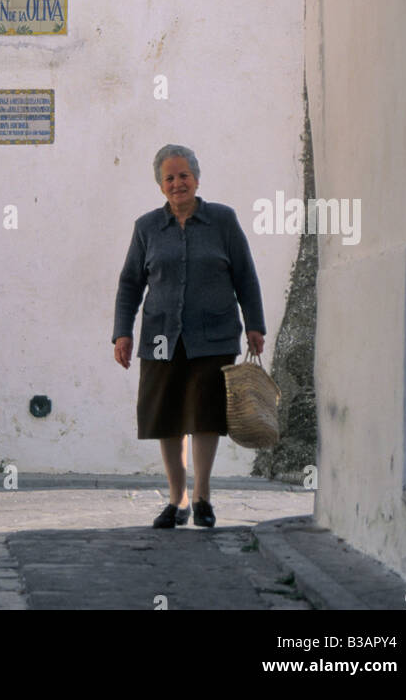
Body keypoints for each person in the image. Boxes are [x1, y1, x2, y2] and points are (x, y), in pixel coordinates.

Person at [112, 145, 266, 529]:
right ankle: (176, 498)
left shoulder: (222, 221)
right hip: (161, 335)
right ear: (160, 186)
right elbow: (130, 283)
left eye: (184, 175)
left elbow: (245, 274)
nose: (178, 183)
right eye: (170, 177)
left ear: (197, 179)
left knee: (205, 416)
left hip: (213, 333)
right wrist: (122, 333)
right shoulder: (146, 227)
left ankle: (203, 497)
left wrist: (255, 324)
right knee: (167, 417)